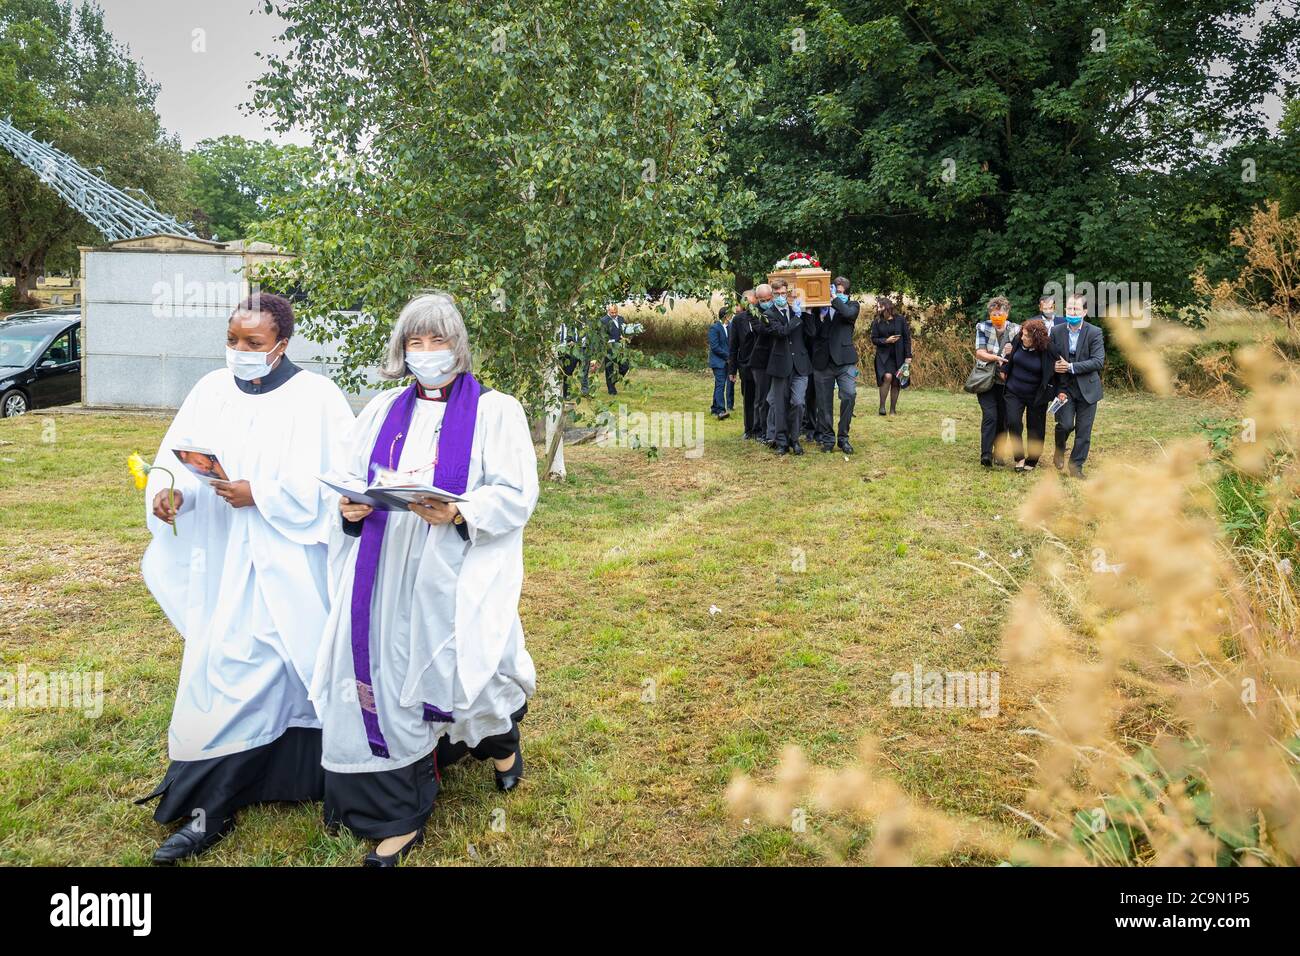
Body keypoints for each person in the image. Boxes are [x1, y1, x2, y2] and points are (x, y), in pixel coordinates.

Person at [313, 292, 538, 866]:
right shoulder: (382, 409)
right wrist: (350, 509)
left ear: (458, 346)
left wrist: (461, 511)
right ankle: (399, 810)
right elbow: (350, 478)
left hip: (452, 568)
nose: (427, 351)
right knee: (388, 672)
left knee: (468, 670)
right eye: (416, 341)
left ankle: (502, 745)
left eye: (438, 340)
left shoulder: (495, 412)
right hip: (384, 568)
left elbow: (516, 493)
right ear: (402, 349)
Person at [136, 293, 355, 864]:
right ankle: (211, 806)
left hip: (292, 565)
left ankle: (325, 783)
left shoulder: (318, 399)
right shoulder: (210, 391)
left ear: (282, 343)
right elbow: (176, 461)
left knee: (296, 668)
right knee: (230, 669)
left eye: (253, 342)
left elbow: (341, 484)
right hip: (226, 563)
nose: (240, 351)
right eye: (233, 340)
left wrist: (262, 493)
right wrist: (171, 494)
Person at [1050, 293, 1105, 478]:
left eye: (1076, 309)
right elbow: (1048, 357)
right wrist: (1053, 366)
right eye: (1069, 308)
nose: (1072, 312)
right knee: (1065, 425)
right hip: (1064, 387)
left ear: (1084, 312)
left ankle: (1076, 467)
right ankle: (1059, 449)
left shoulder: (1094, 332)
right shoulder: (1056, 331)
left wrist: (1071, 367)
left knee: (1083, 431)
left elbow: (1098, 361)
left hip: (1088, 388)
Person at [808, 276, 861, 453]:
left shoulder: (852, 306)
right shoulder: (818, 308)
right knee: (823, 403)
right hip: (822, 362)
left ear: (846, 293)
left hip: (845, 361)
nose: (836, 294)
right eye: (834, 291)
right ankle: (828, 439)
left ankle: (843, 437)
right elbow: (811, 333)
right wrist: (818, 315)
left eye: (839, 292)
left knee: (849, 395)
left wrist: (834, 299)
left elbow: (848, 314)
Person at [764, 279, 813, 456]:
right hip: (780, 365)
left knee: (798, 403)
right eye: (777, 294)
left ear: (787, 293)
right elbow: (781, 332)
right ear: (772, 295)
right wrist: (797, 318)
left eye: (783, 293)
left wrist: (807, 313)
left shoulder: (796, 310)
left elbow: (811, 332)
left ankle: (795, 439)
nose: (780, 296)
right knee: (779, 406)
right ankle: (782, 442)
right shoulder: (768, 314)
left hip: (800, 365)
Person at [1001, 318, 1056, 471]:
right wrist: (1004, 369)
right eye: (1023, 334)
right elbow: (1009, 357)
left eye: (1027, 336)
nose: (1023, 337)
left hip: (1036, 395)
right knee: (1013, 422)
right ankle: (1019, 457)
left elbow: (1057, 369)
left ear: (1036, 338)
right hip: (1014, 391)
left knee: (1035, 428)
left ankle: (1032, 460)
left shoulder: (1048, 348)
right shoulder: (1018, 340)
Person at [974, 296, 1020, 468]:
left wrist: (1012, 350)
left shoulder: (1017, 330)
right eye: (994, 314)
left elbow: (1022, 353)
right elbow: (980, 353)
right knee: (990, 416)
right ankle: (986, 454)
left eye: (1000, 313)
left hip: (1006, 381)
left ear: (1007, 314)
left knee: (1004, 419)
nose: (997, 317)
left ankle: (999, 454)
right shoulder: (982, 327)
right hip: (985, 379)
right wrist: (997, 357)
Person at [870, 296, 912, 416]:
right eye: (878, 307)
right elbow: (874, 339)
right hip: (883, 356)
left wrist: (908, 356)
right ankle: (882, 407)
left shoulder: (900, 320)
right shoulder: (877, 321)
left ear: (887, 307)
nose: (878, 309)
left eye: (880, 307)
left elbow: (907, 339)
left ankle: (893, 409)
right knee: (887, 377)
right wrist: (886, 340)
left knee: (896, 380)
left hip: (899, 355)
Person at [728, 291, 759, 439]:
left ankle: (761, 428)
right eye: (747, 302)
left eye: (752, 302)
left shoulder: (763, 316)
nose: (750, 305)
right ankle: (749, 428)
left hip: (762, 363)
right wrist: (732, 369)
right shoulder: (738, 320)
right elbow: (733, 346)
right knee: (748, 397)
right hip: (746, 364)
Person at [749, 287, 776, 445]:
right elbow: (762, 330)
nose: (766, 302)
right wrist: (777, 327)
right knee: (762, 398)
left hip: (777, 358)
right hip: (761, 361)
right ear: (757, 299)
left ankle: (773, 429)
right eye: (762, 300)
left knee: (774, 397)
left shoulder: (777, 308)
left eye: (768, 299)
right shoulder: (753, 312)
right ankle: (761, 430)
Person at [707, 305, 734, 419]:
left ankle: (714, 408)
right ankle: (721, 410)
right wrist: (727, 356)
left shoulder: (730, 327)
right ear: (726, 316)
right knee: (721, 384)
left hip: (727, 361)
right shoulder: (715, 328)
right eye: (730, 314)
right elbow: (715, 347)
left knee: (719, 384)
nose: (732, 316)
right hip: (718, 362)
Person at [600, 303, 630, 395]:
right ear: (608, 311)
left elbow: (624, 331)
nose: (614, 314)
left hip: (620, 347)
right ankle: (611, 390)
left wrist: (625, 337)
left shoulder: (621, 319)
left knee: (625, 366)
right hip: (609, 347)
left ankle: (614, 380)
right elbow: (602, 335)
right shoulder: (603, 320)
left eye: (615, 312)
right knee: (609, 369)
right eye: (612, 312)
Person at [558, 320, 590, 398]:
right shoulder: (565, 322)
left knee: (584, 370)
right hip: (568, 349)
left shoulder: (584, 322)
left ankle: (585, 391)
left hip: (583, 348)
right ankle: (566, 392)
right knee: (568, 371)